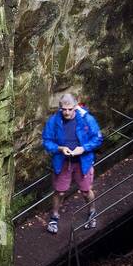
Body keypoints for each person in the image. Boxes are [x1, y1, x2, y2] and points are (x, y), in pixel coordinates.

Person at [41, 92, 103, 235]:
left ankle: (92, 212)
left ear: (76, 107)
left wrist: (83, 148)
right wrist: (60, 148)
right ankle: (54, 217)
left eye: (70, 109)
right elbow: (47, 141)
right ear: (60, 108)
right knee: (60, 191)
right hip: (63, 162)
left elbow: (98, 138)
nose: (67, 112)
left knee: (86, 191)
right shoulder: (54, 121)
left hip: (83, 162)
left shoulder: (87, 119)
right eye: (64, 109)